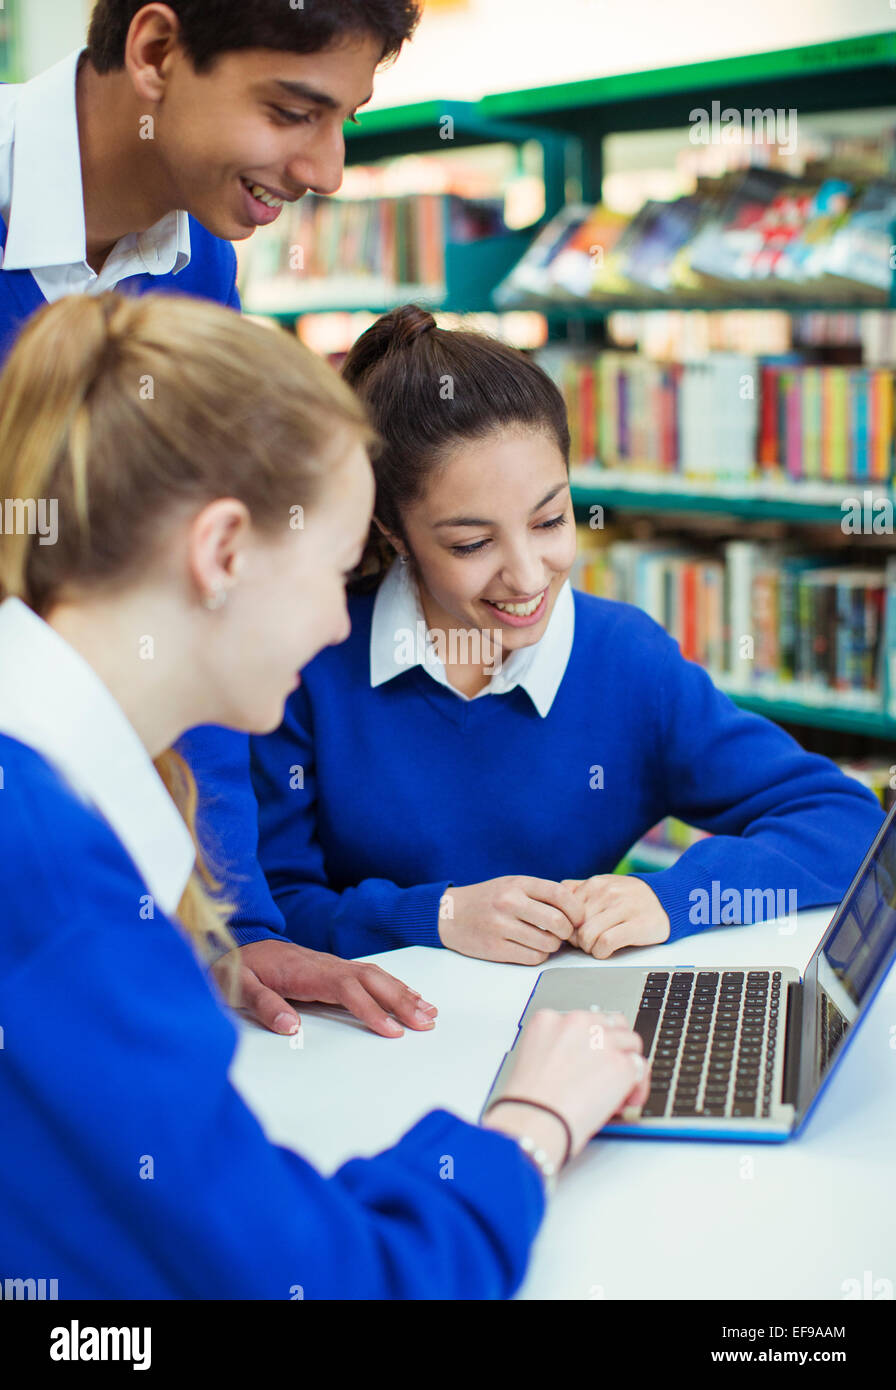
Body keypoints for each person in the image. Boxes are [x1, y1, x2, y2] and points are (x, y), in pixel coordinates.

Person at [0, 289, 650, 1299]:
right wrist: (532, 1122)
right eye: (337, 569)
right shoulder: (51, 872)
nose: (341, 629)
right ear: (222, 553)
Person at [0, 0, 431, 1035]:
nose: (326, 169)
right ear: (154, 51)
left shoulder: (200, 267)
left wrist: (230, 919)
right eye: (292, 110)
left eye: (345, 122)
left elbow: (190, 620)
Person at [248, 304, 886, 964]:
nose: (527, 577)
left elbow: (845, 823)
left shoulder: (626, 662)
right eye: (471, 543)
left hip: (569, 1032)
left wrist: (675, 898)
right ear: (392, 532)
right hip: (373, 1041)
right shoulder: (312, 664)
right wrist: (433, 915)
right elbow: (272, 905)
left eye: (550, 521)